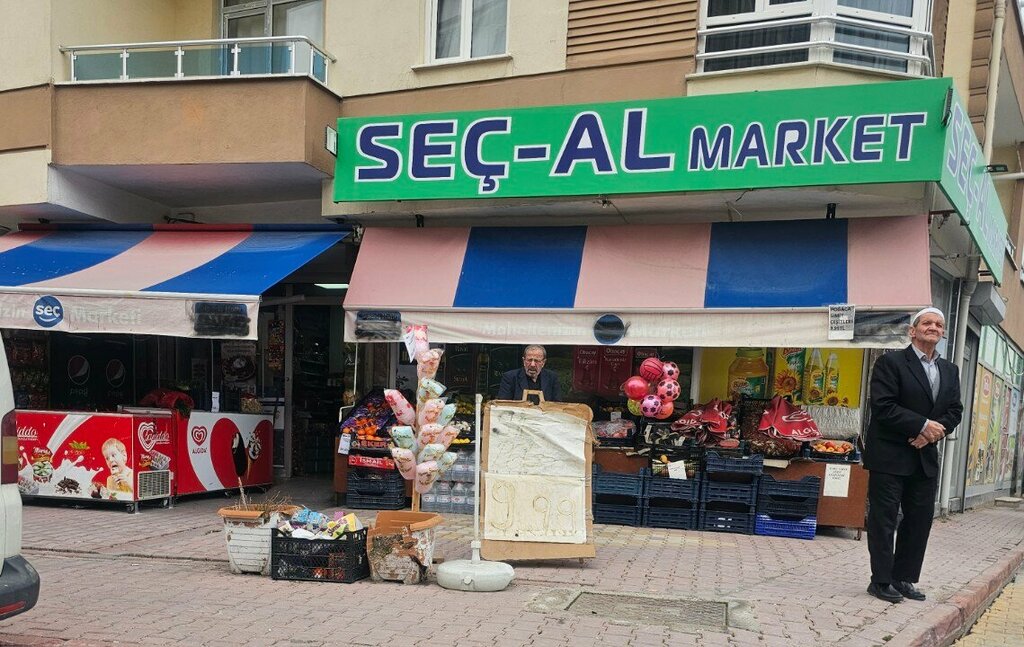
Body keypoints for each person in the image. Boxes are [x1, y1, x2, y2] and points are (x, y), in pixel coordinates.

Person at [863, 307, 963, 603]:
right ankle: (880, 581)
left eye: (939, 324)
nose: (933, 327)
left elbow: (954, 410)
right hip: (890, 456)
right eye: (927, 323)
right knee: (885, 519)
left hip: (924, 455)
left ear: (943, 333)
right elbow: (883, 405)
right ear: (913, 330)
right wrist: (921, 424)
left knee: (919, 520)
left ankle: (902, 577)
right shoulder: (890, 363)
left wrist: (932, 432)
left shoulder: (950, 370)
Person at [496, 345, 561, 401]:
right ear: (524, 361)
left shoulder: (552, 378)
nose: (532, 364)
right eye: (529, 360)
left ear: (543, 362)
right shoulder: (510, 377)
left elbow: (557, 405)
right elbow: (503, 405)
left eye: (537, 361)